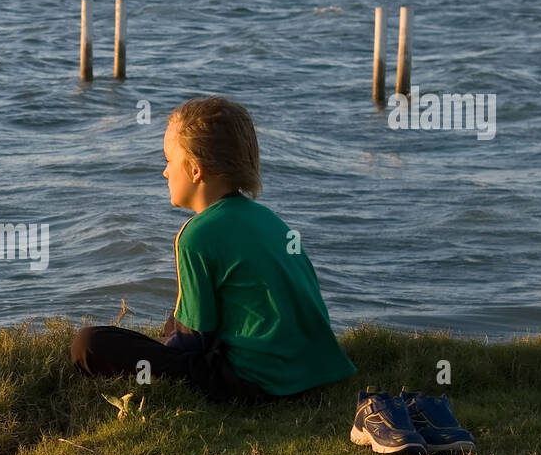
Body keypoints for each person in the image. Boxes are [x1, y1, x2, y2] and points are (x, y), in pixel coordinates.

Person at [71, 95, 356, 403]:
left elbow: (194, 339)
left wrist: (158, 352)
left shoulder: (196, 235)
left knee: (88, 344)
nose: (165, 172)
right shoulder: (269, 219)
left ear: (195, 170)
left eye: (169, 160)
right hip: (313, 372)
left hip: (254, 383)